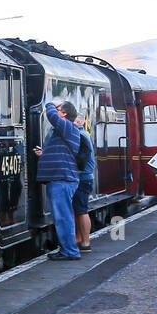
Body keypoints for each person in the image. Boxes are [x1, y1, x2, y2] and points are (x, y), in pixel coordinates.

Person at [32, 100, 82, 260]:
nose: (56, 111)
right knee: (62, 216)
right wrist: (44, 154)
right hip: (60, 179)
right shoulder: (63, 132)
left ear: (64, 113)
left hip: (62, 179)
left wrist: (50, 104)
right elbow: (63, 152)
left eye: (59, 109)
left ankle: (70, 252)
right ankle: (67, 249)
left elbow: (52, 116)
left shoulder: (68, 127)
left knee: (63, 217)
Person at [69, 105, 95, 251]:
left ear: (78, 122)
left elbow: (80, 160)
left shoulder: (80, 136)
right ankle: (80, 239)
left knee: (81, 210)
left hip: (82, 178)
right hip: (84, 177)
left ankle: (85, 242)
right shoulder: (83, 134)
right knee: (78, 210)